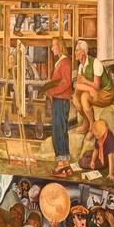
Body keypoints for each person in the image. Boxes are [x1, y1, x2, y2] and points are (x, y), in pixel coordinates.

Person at [43, 36, 74, 176]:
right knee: (60, 130)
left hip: (61, 101)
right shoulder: (61, 62)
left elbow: (66, 83)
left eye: (53, 46)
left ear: (60, 46)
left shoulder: (65, 62)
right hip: (60, 100)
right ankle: (65, 164)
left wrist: (52, 92)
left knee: (58, 131)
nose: (51, 48)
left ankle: (62, 164)